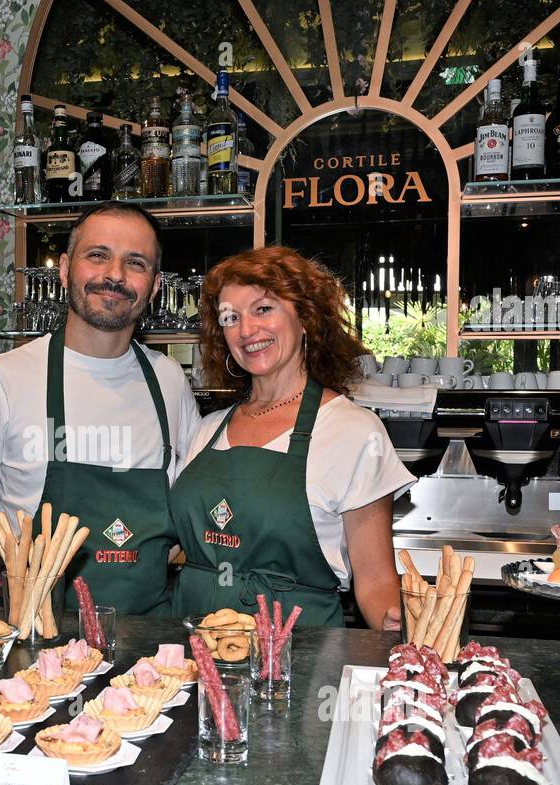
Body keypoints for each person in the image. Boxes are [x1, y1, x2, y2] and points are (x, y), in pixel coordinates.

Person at [0, 201, 201, 614]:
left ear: (155, 286)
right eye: (98, 255)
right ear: (66, 269)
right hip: (33, 645)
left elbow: (192, 507)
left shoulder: (169, 380)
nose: (115, 276)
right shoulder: (1, 380)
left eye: (135, 263)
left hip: (152, 652)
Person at [169, 246, 413, 628]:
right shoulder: (206, 429)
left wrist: (399, 626)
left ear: (305, 319)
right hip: (192, 651)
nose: (246, 330)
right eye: (231, 317)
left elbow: (376, 579)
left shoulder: (353, 432)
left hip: (300, 660)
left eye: (263, 309)